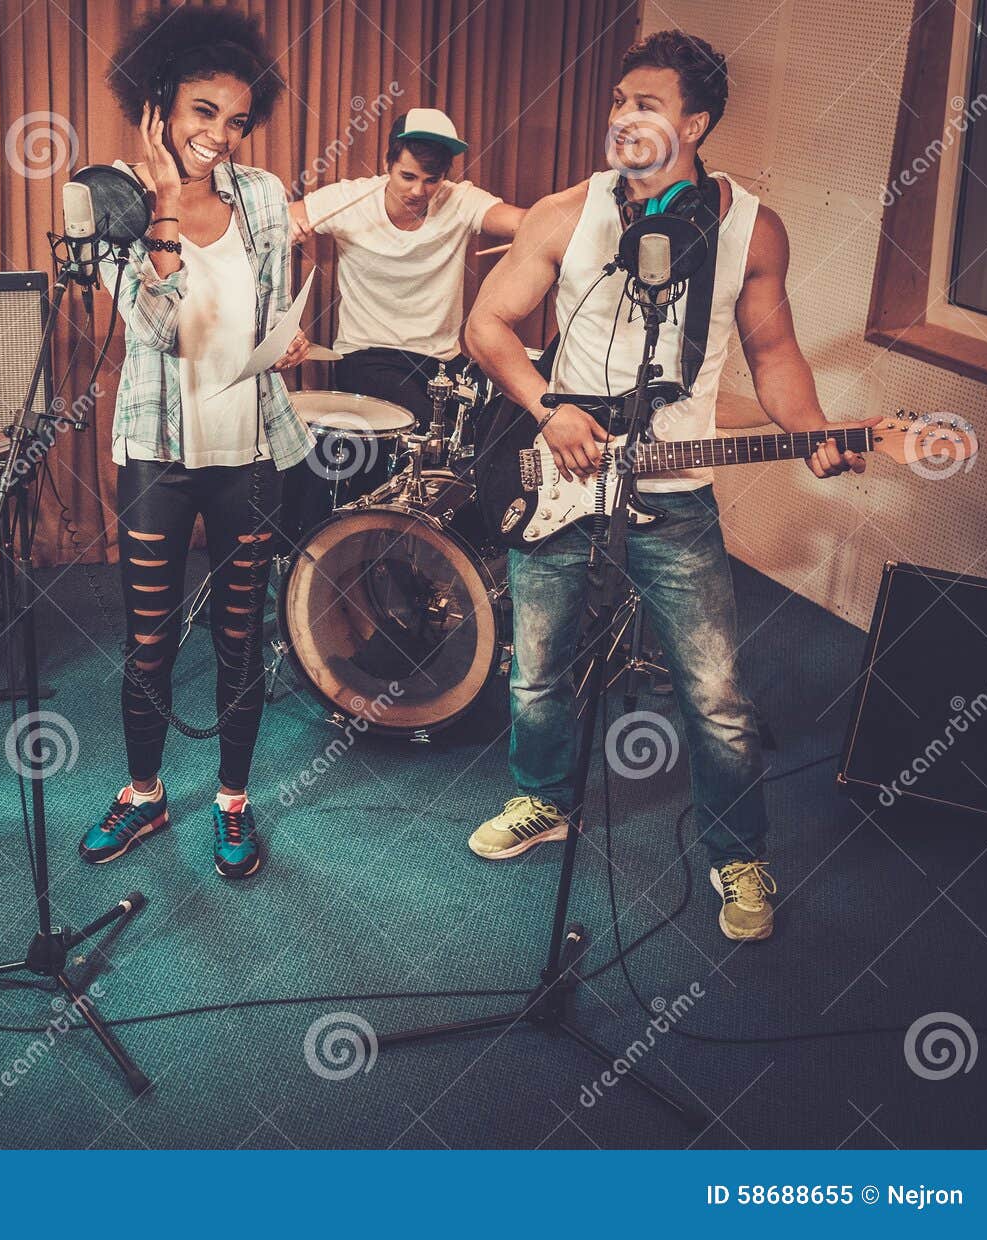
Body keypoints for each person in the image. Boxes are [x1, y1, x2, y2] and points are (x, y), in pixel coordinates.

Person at [461, 31, 878, 942]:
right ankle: (542, 799)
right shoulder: (566, 212)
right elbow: (487, 324)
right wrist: (547, 409)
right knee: (537, 673)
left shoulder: (752, 229)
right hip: (561, 476)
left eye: (645, 104)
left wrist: (813, 434)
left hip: (675, 485)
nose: (622, 118)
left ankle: (738, 854)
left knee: (717, 694)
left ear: (694, 122)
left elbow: (773, 355)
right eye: (617, 101)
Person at [76, 6, 310, 881]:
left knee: (240, 641)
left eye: (236, 118)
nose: (219, 134)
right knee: (149, 641)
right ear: (160, 106)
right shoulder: (112, 198)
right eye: (203, 111)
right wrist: (166, 213)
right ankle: (144, 795)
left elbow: (273, 308)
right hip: (158, 454)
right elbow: (151, 326)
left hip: (248, 447)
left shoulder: (263, 195)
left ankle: (232, 805)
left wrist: (284, 341)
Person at [290, 107, 525, 421]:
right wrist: (289, 228)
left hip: (443, 362)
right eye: (408, 176)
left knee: (504, 419)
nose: (418, 191)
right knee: (420, 423)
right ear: (388, 164)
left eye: (432, 180)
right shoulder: (352, 199)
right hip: (368, 356)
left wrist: (546, 232)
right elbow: (279, 221)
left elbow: (524, 222)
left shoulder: (459, 200)